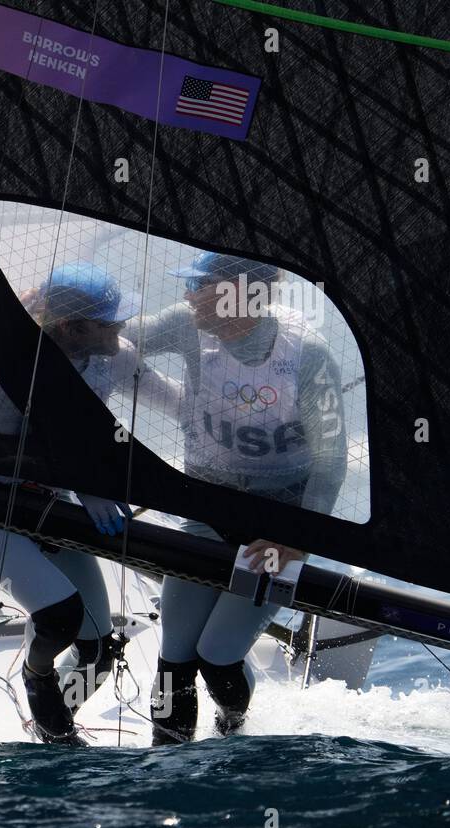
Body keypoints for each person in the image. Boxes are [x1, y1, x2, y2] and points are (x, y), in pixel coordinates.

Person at [0, 262, 183, 743]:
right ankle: (38, 685)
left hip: (53, 506)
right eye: (109, 321)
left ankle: (46, 727)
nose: (121, 328)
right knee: (59, 617)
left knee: (96, 650)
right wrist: (86, 484)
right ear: (74, 328)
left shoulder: (116, 356)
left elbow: (176, 403)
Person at [135, 251, 347, 743]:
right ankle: (167, 766)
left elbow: (331, 461)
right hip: (207, 510)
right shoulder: (186, 327)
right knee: (175, 657)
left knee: (217, 656)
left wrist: (296, 540)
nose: (187, 296)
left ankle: (232, 732)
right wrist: (53, 322)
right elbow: (116, 343)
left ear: (240, 293)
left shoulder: (308, 356)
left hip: (279, 522)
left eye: (199, 285)